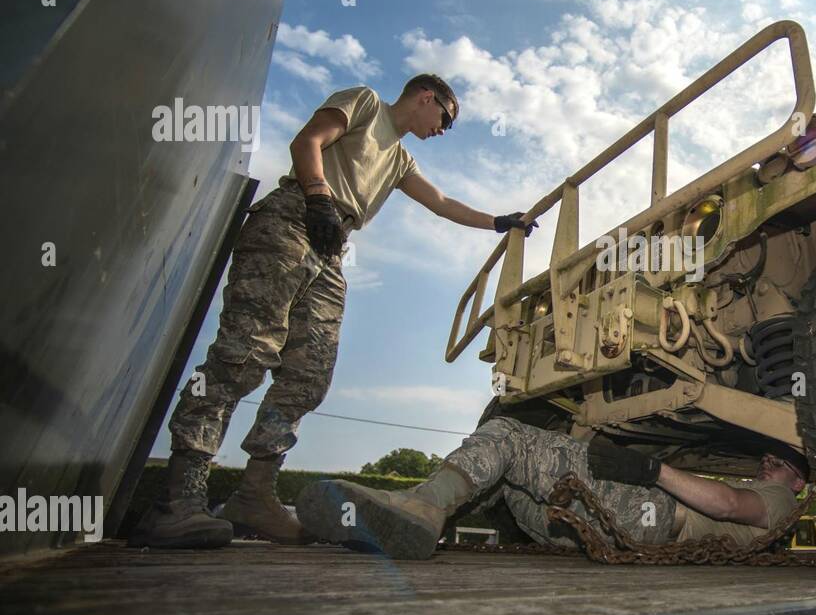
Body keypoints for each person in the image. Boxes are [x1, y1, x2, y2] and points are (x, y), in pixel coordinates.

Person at [131, 75, 536, 549]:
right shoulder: (365, 104)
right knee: (244, 355)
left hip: (331, 248)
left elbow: (441, 203)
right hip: (295, 218)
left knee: (308, 375)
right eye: (445, 119)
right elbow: (309, 140)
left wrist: (497, 222)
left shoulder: (400, 158)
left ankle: (254, 495)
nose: (443, 130)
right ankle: (178, 501)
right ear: (427, 97)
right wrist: (319, 197)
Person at [294, 416, 809, 559]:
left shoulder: (779, 502)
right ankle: (394, 521)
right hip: (593, 534)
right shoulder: (778, 506)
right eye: (765, 458)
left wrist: (652, 470)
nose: (767, 463)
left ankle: (423, 509)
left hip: (641, 516)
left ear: (799, 481)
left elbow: (722, 502)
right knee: (509, 478)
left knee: (510, 438)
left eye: (779, 461)